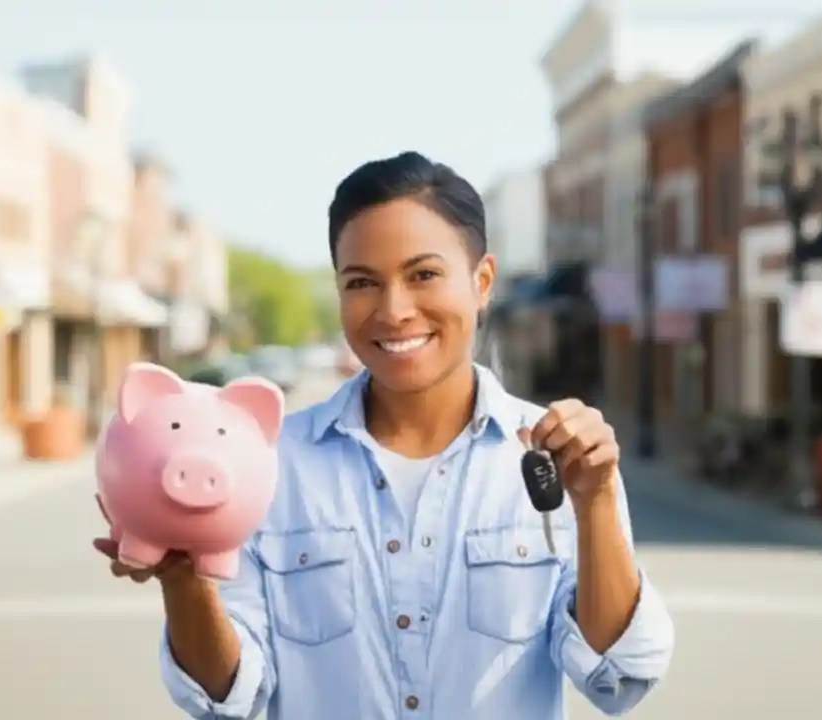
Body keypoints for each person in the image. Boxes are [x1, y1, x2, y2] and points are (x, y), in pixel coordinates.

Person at [93, 151, 675, 718]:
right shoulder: (269, 464)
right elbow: (229, 699)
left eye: (423, 274)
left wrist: (595, 501)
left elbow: (617, 677)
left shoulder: (564, 461)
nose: (394, 310)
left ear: (482, 281)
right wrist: (183, 581)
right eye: (362, 282)